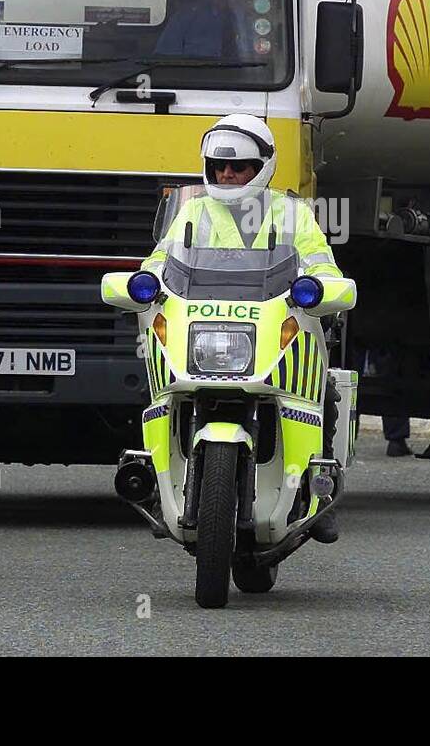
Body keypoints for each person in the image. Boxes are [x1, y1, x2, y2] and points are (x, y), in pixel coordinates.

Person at [142, 114, 343, 542]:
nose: (228, 174)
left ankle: (318, 493)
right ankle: (160, 482)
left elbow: (322, 264)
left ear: (262, 166)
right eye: (219, 166)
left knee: (324, 390)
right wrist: (144, 284)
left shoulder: (293, 214)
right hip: (200, 329)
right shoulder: (192, 213)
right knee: (159, 387)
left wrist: (324, 286)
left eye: (239, 167)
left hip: (272, 327)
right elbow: (159, 263)